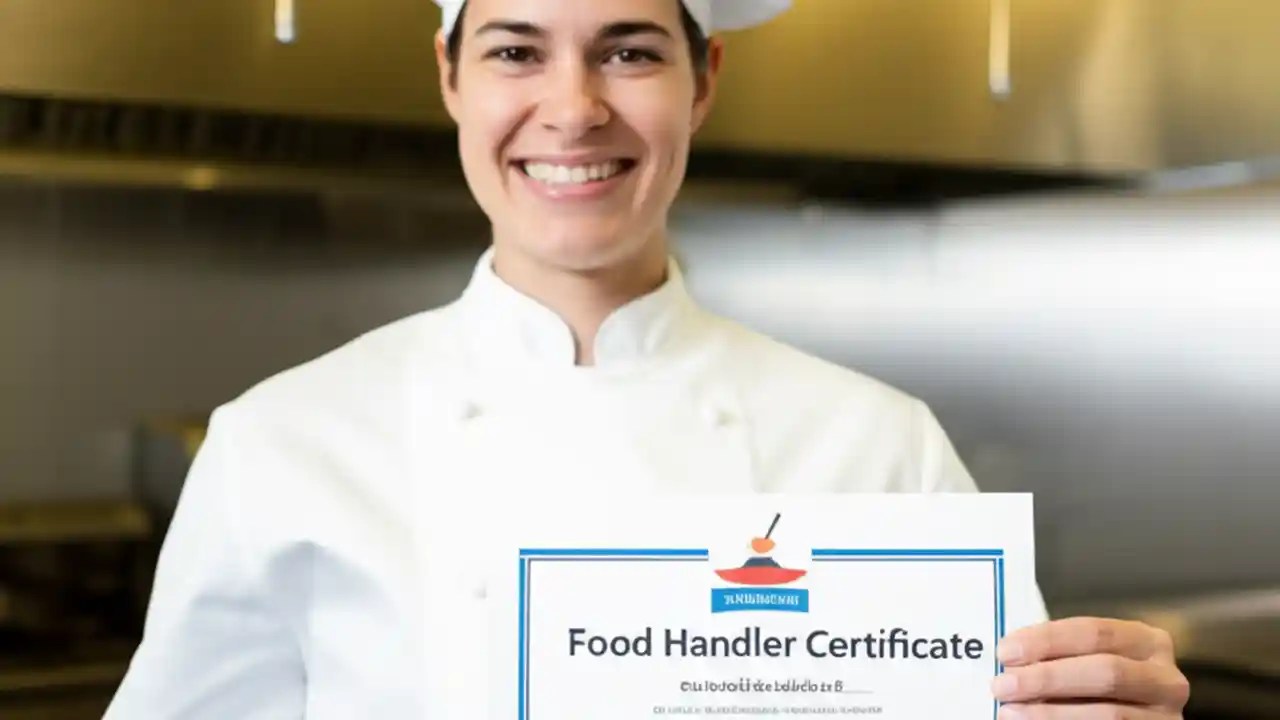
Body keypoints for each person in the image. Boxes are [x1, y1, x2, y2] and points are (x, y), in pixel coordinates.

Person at [104, 0, 1190, 717]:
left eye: (628, 51)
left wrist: (1102, 704)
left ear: (703, 79)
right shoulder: (282, 445)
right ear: (449, 76)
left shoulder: (878, 445)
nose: (573, 110)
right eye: (515, 50)